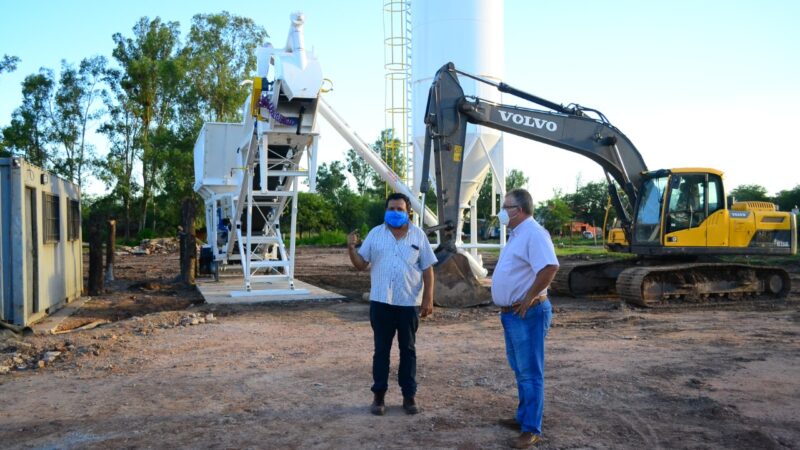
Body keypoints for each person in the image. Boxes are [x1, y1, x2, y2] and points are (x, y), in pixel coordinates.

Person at [347, 192, 437, 416]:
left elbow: (428, 269)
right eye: (391, 209)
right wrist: (351, 248)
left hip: (408, 303)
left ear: (408, 213)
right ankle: (378, 396)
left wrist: (428, 298)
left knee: (408, 350)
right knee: (381, 351)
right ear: (386, 211)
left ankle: (409, 396)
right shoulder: (375, 234)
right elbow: (361, 265)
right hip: (381, 302)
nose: (395, 213)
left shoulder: (418, 236)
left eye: (400, 209)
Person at [492, 188, 559, 449]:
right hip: (512, 314)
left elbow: (550, 267)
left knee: (530, 372)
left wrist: (530, 296)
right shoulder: (517, 234)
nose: (502, 211)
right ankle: (523, 417)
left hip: (527, 314)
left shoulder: (534, 233)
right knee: (520, 369)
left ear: (518, 210)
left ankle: (531, 429)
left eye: (505, 207)